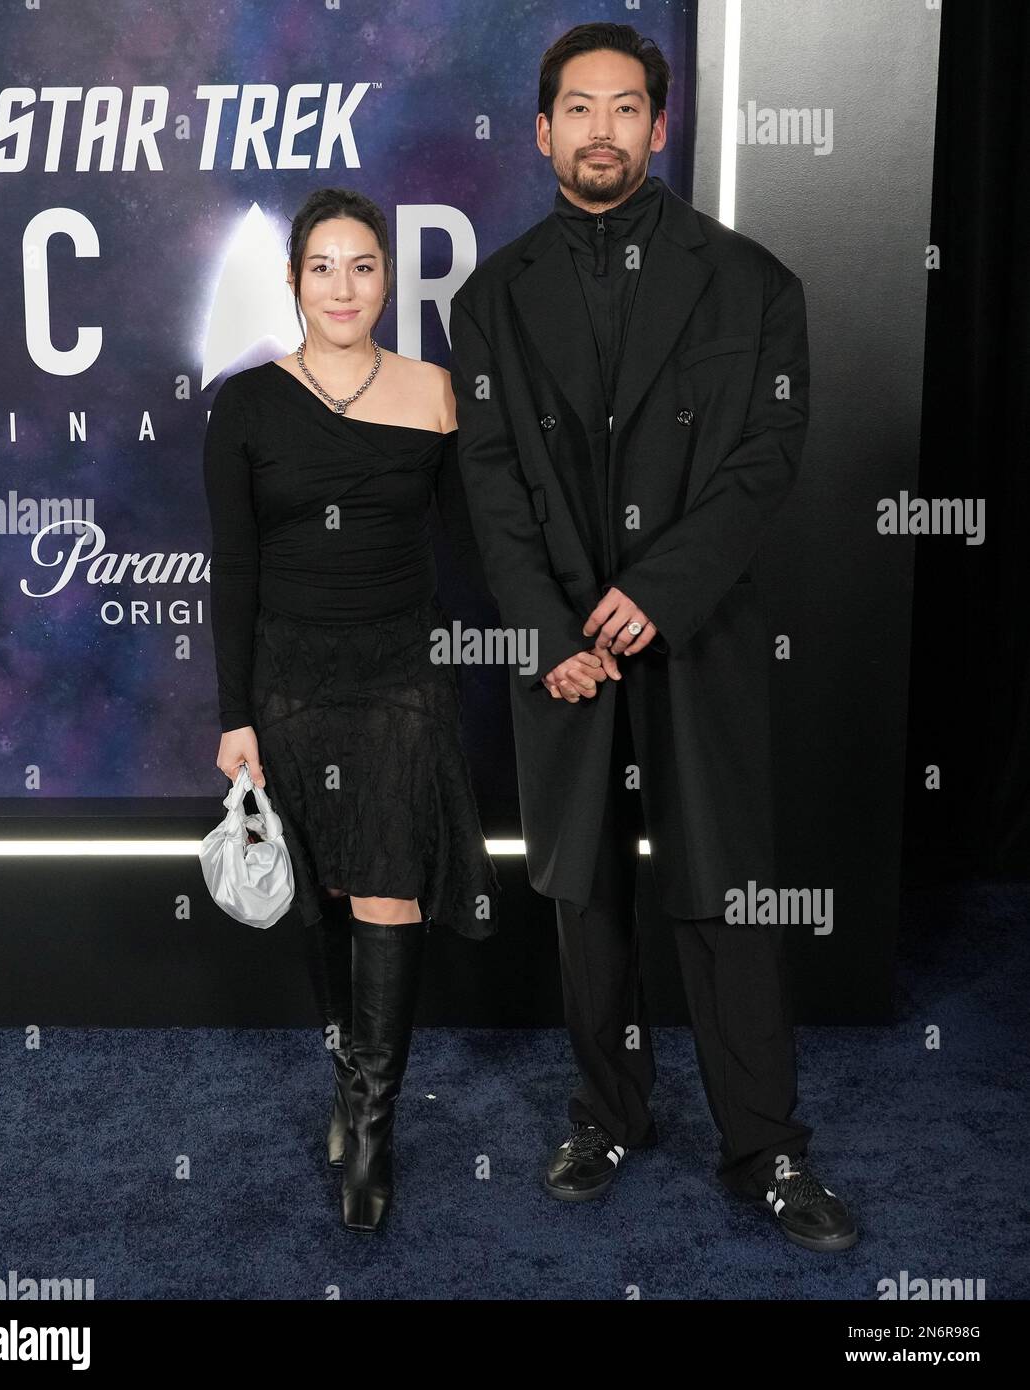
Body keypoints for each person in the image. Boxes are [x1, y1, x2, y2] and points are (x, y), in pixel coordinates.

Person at [449, 21, 857, 1252]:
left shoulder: (753, 282)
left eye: (625, 109)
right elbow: (491, 476)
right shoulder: (488, 301)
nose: (600, 131)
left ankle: (764, 1148)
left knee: (725, 891)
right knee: (585, 894)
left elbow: (760, 461)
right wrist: (551, 626)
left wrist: (656, 591)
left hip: (700, 634)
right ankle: (605, 1112)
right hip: (565, 642)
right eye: (577, 109)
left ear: (658, 127)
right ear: (541, 131)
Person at [202, 187, 499, 1235]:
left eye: (362, 265)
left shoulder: (434, 393)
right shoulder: (244, 405)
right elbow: (231, 570)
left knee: (387, 887)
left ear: (388, 277)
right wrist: (235, 712)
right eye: (322, 266)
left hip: (397, 682)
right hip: (287, 681)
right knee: (320, 898)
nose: (343, 285)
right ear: (293, 282)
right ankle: (345, 1072)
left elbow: (478, 550)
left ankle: (371, 1128)